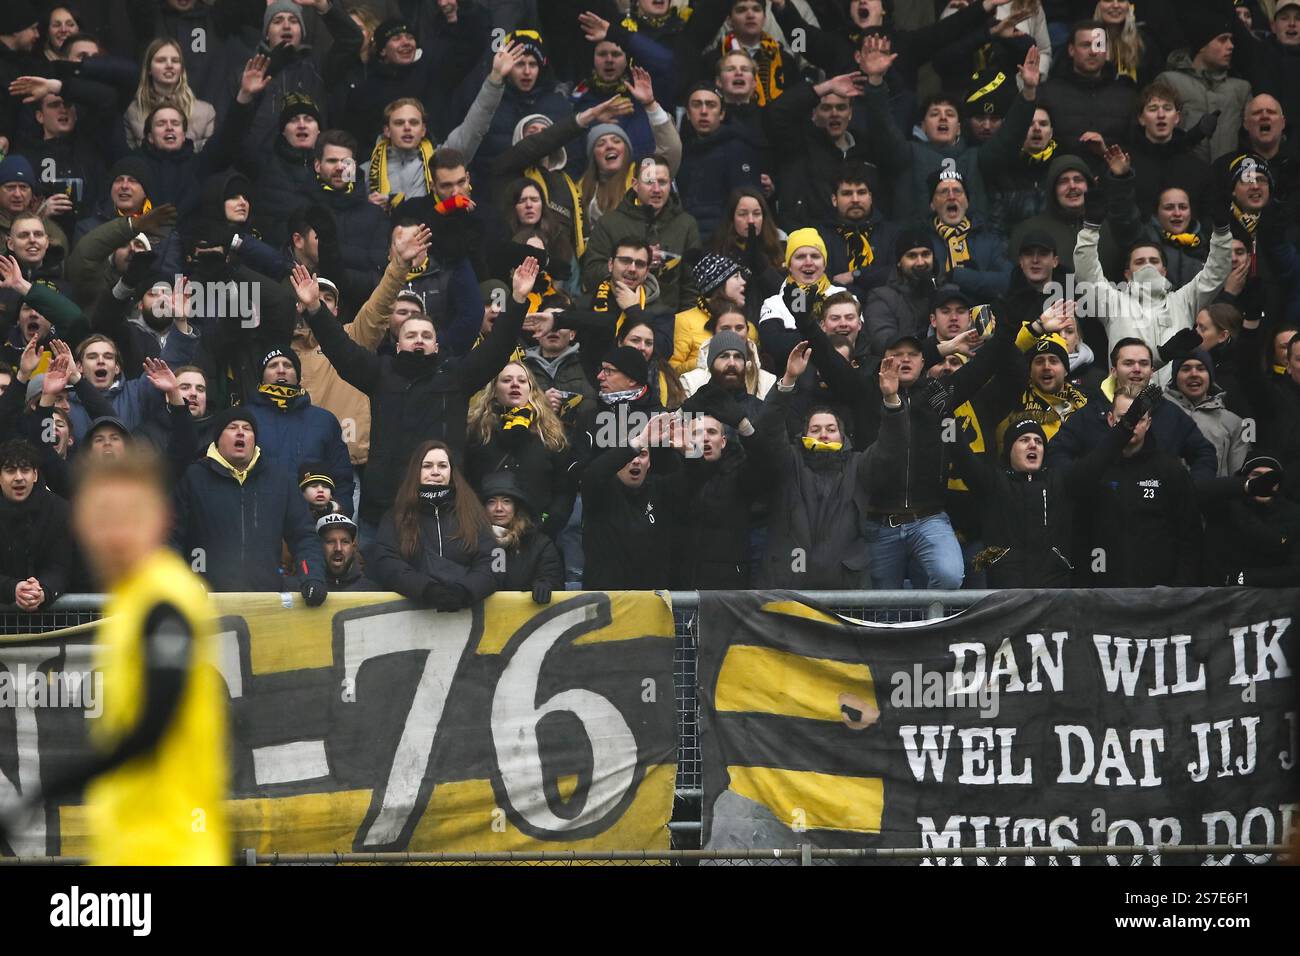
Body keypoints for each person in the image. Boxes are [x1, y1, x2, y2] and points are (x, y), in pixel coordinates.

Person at [0, 448, 228, 865]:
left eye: (131, 516)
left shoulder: (164, 602)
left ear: (161, 519)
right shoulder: (132, 598)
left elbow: (151, 728)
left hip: (168, 850)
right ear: (82, 522)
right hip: (131, 845)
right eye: (103, 516)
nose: (116, 533)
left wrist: (37, 795)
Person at [295, 257, 534, 541]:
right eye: (411, 335)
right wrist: (314, 309)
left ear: (436, 344)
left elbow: (497, 349)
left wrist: (518, 299)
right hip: (384, 506)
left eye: (425, 335)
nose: (418, 340)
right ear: (398, 345)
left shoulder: (457, 376)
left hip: (443, 506)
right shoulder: (380, 373)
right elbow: (341, 349)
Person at [948, 389, 1153, 587]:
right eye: (1024, 440)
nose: (1033, 445)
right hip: (1004, 595)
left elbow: (1100, 457)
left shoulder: (1062, 482)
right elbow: (963, 458)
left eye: (1038, 441)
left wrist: (1128, 422)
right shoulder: (993, 483)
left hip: (1053, 596)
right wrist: (944, 414)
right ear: (1009, 450)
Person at [171, 406, 327, 599]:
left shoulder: (280, 481)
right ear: (218, 438)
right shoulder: (193, 478)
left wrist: (312, 577)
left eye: (247, 428)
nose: (240, 432)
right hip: (205, 604)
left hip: (266, 604)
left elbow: (304, 536)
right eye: (232, 427)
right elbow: (172, 539)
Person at [1078, 384, 1202, 586]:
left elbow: (1189, 536)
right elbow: (1080, 533)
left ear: (1149, 422)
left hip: (1160, 594)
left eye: (1138, 419)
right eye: (1124, 419)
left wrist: (1180, 590)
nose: (1131, 425)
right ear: (1111, 420)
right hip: (1102, 593)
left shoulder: (1170, 470)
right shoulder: (1094, 469)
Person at [369, 439, 498, 610]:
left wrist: (465, 591)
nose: (435, 472)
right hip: (409, 621)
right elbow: (386, 563)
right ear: (417, 471)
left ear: (452, 472)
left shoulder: (474, 514)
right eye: (427, 466)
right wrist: (426, 590)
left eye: (442, 466)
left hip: (467, 614)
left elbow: (494, 561)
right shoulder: (395, 517)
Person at [465, 360, 577, 538]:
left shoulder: (550, 435)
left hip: (536, 535)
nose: (515, 384)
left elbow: (564, 489)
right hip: (483, 534)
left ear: (531, 390)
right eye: (507, 380)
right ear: (493, 390)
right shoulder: (476, 431)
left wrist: (548, 527)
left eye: (522, 381)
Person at [243, 346, 355, 516]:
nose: (281, 370)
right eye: (273, 366)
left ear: (298, 375)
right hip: (261, 521)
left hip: (313, 522)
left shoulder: (324, 420)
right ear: (262, 376)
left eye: (288, 365)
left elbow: (342, 478)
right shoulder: (245, 418)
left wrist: (337, 515)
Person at [1156, 11, 1250, 163]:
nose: (1231, 46)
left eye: (1231, 40)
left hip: (1228, 178)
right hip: (1183, 175)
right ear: (1202, 45)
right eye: (1223, 40)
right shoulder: (1169, 81)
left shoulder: (1241, 89)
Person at [1205, 456, 1300, 586]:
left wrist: (1244, 577)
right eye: (1257, 476)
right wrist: (1247, 486)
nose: (1264, 482)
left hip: (1275, 594)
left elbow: (1295, 569)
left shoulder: (1292, 513)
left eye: (1271, 478)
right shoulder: (1226, 506)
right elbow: (1198, 490)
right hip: (1223, 592)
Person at [0, 437, 71, 610]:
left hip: (51, 623)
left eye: (25, 470)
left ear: (35, 475)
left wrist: (43, 591)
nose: (18, 477)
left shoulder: (59, 510)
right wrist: (13, 588)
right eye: (10, 470)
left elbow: (61, 566)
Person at [478, 469, 563, 602]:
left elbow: (551, 575)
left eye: (506, 501)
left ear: (516, 506)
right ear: (482, 507)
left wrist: (546, 584)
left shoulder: (539, 544)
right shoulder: (470, 542)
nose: (499, 508)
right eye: (491, 502)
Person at [1163, 349, 1250, 478]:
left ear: (1210, 376)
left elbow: (1237, 477)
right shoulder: (1158, 413)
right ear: (1175, 377)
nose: (1194, 374)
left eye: (1201, 368)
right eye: (1186, 369)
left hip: (1213, 495)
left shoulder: (1233, 423)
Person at [315, 512, 378, 591]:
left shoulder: (371, 591)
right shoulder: (301, 589)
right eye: (330, 541)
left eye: (345, 542)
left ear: (353, 546)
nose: (338, 548)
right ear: (318, 546)